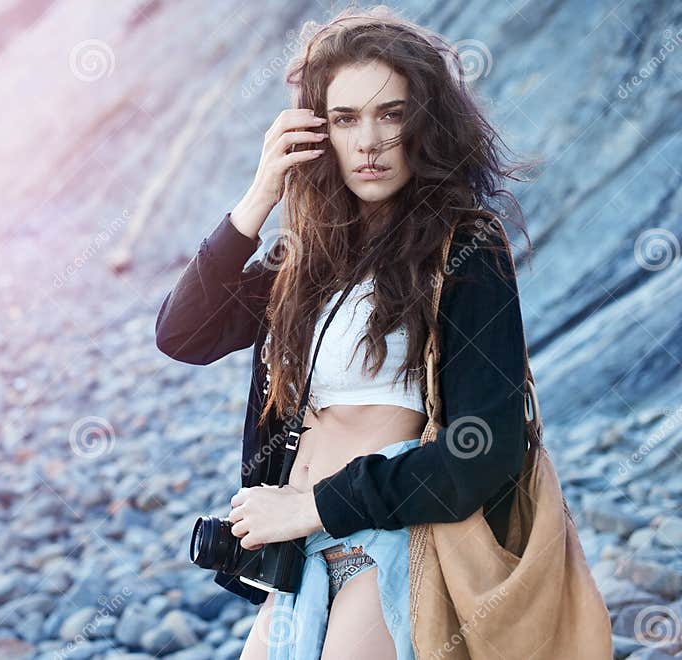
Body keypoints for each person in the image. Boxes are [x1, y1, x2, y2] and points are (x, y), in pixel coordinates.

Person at [155, 5, 539, 659]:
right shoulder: (305, 256)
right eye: (345, 118)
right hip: (297, 552)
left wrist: (311, 507)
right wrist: (259, 198)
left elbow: (485, 451)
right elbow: (183, 334)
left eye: (392, 114)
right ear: (316, 132)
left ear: (425, 123)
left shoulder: (464, 247)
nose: (369, 141)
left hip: (390, 542)